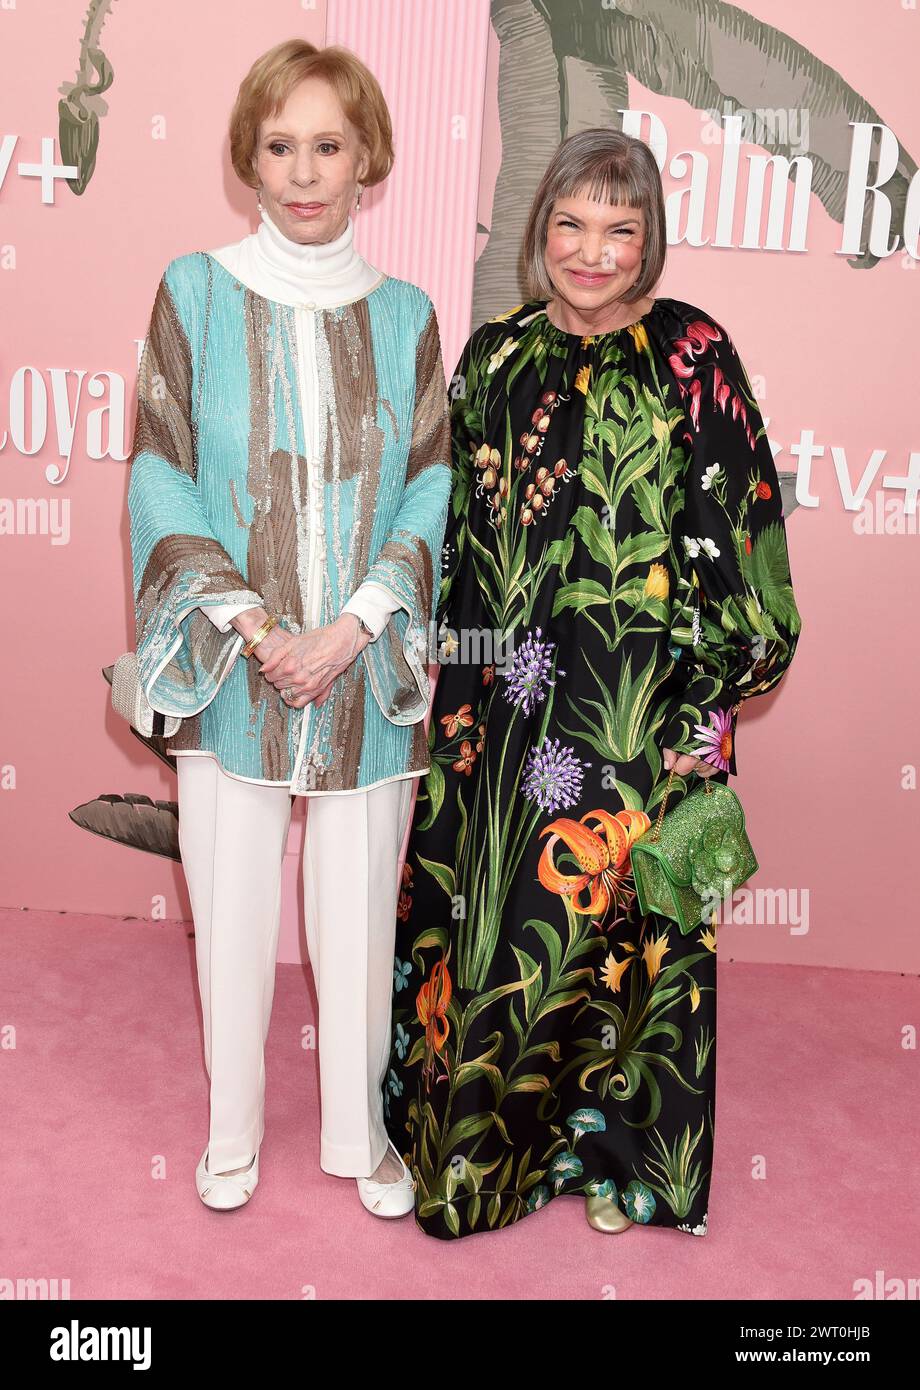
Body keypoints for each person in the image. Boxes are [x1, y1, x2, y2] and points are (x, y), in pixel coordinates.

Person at [384, 128, 802, 1238]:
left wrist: (711, 699)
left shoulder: (690, 354)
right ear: (540, 232)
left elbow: (738, 524)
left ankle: (617, 1163)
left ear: (647, 239)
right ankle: (483, 1158)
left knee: (622, 938)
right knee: (499, 930)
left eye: (619, 229)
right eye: (570, 224)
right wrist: (445, 675)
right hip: (502, 704)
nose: (591, 251)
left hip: (638, 705)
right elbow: (461, 532)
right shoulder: (493, 354)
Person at [126, 39, 451, 1215]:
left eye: (328, 144)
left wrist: (355, 623)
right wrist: (259, 624)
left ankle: (358, 1134)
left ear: (368, 157)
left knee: (359, 912)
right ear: (245, 158)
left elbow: (428, 482)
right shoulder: (193, 291)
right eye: (280, 145)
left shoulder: (410, 314)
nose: (303, 171)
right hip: (234, 659)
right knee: (230, 906)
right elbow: (160, 468)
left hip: (362, 665)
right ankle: (228, 1133)